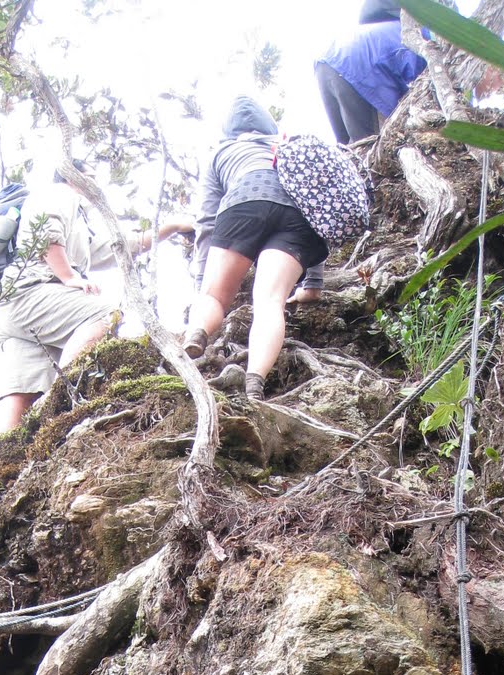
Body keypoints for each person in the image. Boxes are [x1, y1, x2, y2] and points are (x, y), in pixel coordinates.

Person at [0, 175, 192, 435]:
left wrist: (173, 226)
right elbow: (45, 229)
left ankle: (1, 463)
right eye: (92, 178)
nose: (97, 184)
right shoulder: (60, 192)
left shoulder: (79, 223)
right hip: (34, 290)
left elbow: (118, 247)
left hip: (15, 305)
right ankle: (59, 401)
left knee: (23, 387)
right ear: (76, 175)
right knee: (104, 315)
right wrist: (68, 276)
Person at [183, 97, 329, 402]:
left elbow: (207, 223)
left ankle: (197, 334)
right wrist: (313, 283)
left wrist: (202, 287)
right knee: (270, 302)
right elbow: (320, 210)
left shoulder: (221, 153)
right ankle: (255, 384)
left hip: (245, 200)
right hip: (296, 216)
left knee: (214, 297)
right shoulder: (289, 146)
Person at [315, 2, 428, 147]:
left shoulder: (387, 27)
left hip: (326, 61)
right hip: (354, 64)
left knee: (347, 148)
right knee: (369, 148)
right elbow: (419, 89)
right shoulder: (423, 39)